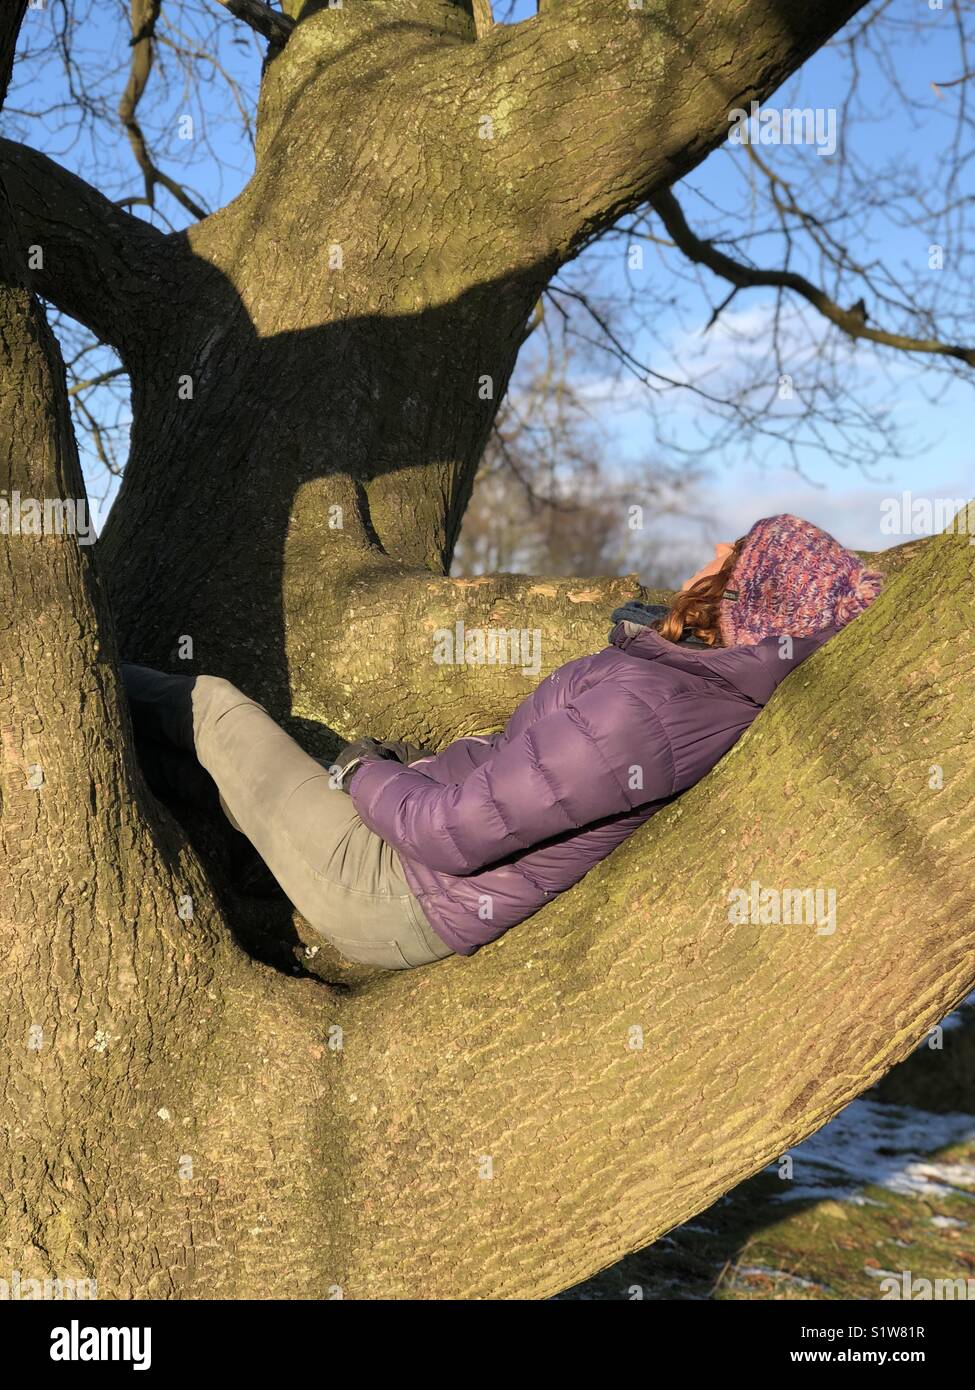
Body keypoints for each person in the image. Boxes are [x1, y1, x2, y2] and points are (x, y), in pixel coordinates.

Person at [121, 514, 883, 969]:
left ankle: (82, 668)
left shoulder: (644, 713)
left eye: (731, 555)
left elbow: (450, 832)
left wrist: (358, 771)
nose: (711, 551)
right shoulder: (680, 687)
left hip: (397, 887)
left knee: (217, 710)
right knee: (214, 772)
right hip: (411, 860)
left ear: (739, 595)